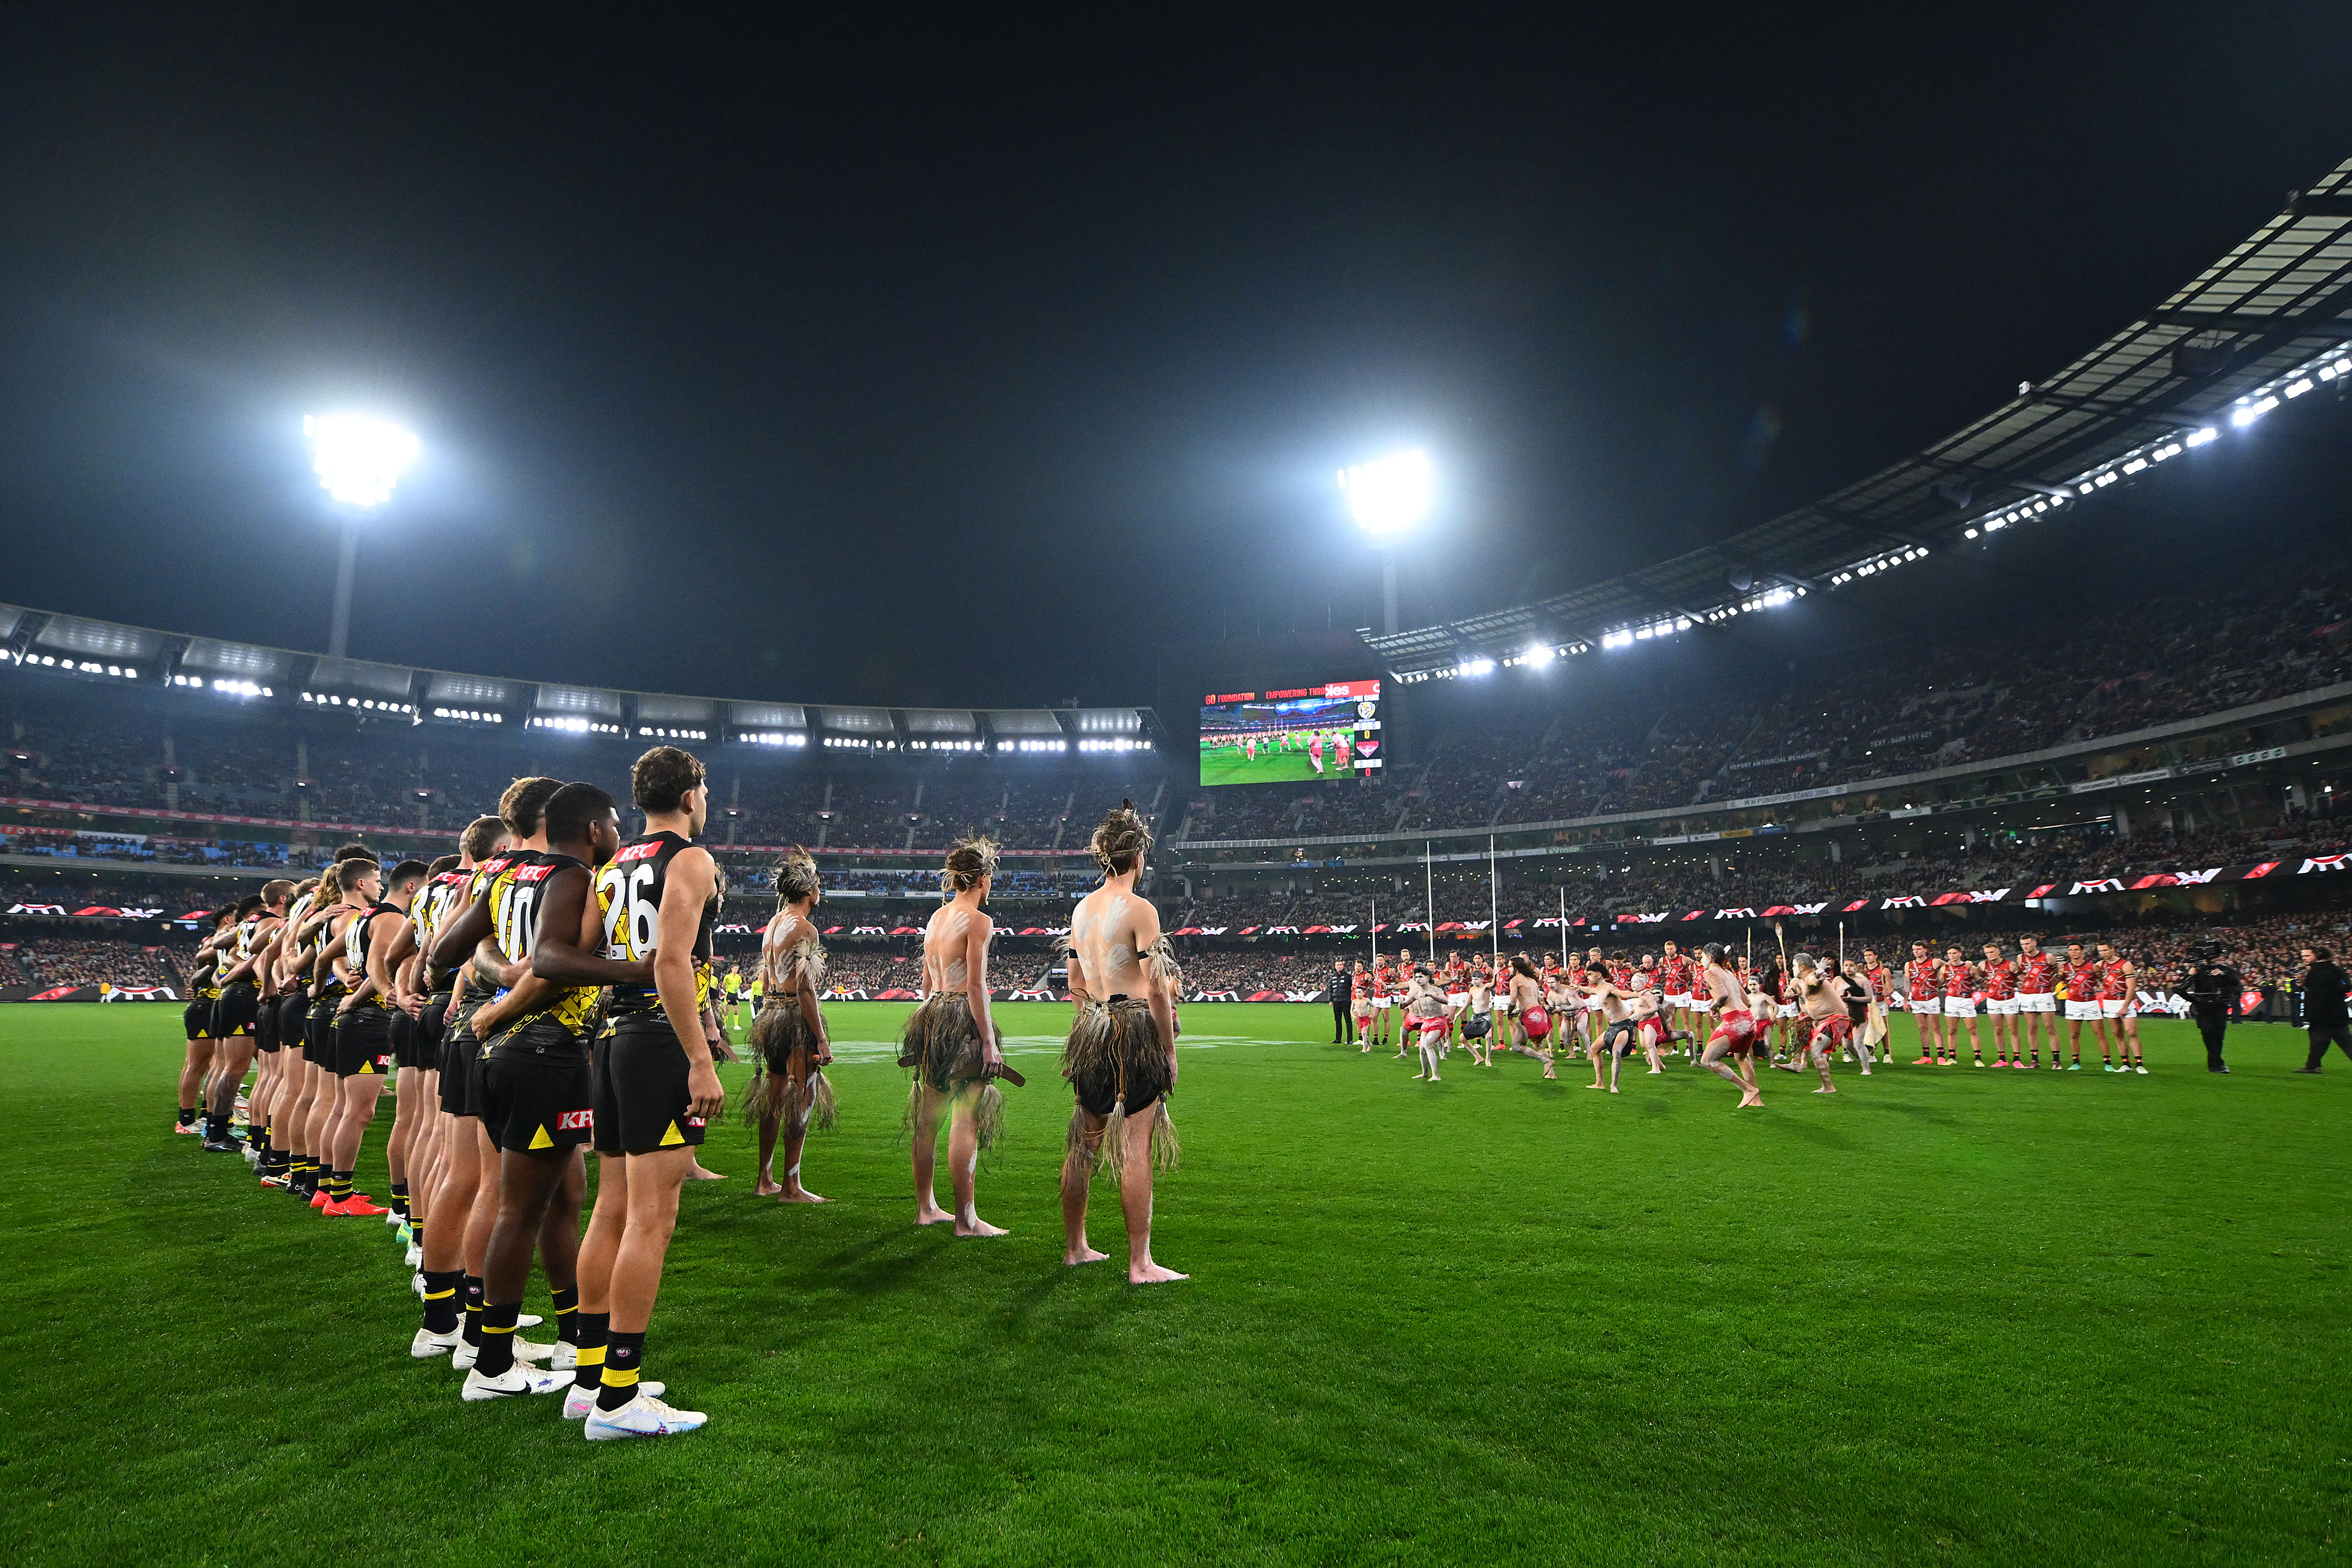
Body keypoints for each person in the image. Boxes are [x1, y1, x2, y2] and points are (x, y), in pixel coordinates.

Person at [437, 781, 642, 1403]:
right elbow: (552, 959)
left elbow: (446, 949)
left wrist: (501, 971)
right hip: (545, 1054)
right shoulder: (575, 876)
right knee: (519, 1210)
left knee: (562, 1196)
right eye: (612, 823)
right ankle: (494, 1363)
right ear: (592, 831)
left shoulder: (504, 877)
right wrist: (637, 970)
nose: (618, 832)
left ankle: (573, 1344)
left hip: (503, 1055)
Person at [568, 748, 723, 1438]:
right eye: (705, 788)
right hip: (658, 1043)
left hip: (611, 1040)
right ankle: (619, 1400)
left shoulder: (613, 866)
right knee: (650, 1220)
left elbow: (587, 955)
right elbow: (670, 960)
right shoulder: (690, 860)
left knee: (611, 1208)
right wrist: (701, 1059)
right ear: (691, 795)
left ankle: (589, 1376)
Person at [1059, 803, 1184, 1281]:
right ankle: (1140, 1263)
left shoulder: (1081, 909)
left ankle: (1076, 1248)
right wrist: (1168, 1049)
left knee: (1083, 1145)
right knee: (1135, 1145)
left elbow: (1074, 983)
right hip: (1132, 1029)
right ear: (1139, 859)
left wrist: (1085, 1034)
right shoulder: (1141, 910)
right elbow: (1155, 988)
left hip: (1091, 1026)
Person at [901, 836, 1010, 1237]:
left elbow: (927, 982)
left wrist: (929, 1027)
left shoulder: (936, 918)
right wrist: (987, 1041)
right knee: (966, 1119)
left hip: (933, 1016)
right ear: (983, 879)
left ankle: (926, 1208)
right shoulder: (980, 921)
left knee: (928, 1120)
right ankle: (967, 1220)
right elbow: (977, 986)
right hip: (962, 1019)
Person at [747, 846, 833, 1204]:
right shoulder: (806, 928)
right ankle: (792, 1186)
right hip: (794, 1021)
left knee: (774, 1096)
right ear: (809, 889)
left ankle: (764, 1179)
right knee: (801, 1097)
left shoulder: (774, 925)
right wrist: (822, 1039)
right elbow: (804, 988)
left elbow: (768, 980)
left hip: (770, 1015)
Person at [174, 912, 231, 1136]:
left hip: (210, 1005)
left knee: (213, 1065)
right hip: (207, 1006)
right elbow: (199, 975)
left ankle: (209, 1115)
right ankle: (187, 1120)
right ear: (228, 920)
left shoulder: (221, 942)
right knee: (198, 1066)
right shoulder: (217, 942)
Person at [1696, 943, 1762, 1109]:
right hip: (1749, 1020)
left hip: (1735, 1021)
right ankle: (1757, 1101)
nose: (1701, 960)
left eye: (1703, 957)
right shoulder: (1729, 974)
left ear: (1710, 958)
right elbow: (1747, 1001)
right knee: (1741, 1058)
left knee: (1707, 1060)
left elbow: (1723, 995)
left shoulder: (1709, 972)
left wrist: (1714, 1006)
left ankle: (1747, 1089)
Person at [2181, 940, 2244, 1073]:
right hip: (2203, 1008)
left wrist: (2223, 977)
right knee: (2208, 1032)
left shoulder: (2227, 971)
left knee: (2218, 1035)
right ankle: (2217, 1063)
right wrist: (2191, 978)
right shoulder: (2198, 972)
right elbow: (2181, 988)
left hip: (2219, 1007)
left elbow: (2236, 986)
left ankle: (2215, 1063)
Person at [2293, 945, 2351, 1073]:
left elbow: (2314, 997)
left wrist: (2309, 1016)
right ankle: (2312, 1066)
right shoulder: (2336, 969)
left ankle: (2313, 1066)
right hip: (2339, 1014)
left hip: (2321, 1015)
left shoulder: (2317, 972)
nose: (2304, 958)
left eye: (2307, 956)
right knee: (2347, 1043)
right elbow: (2347, 986)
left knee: (2318, 1042)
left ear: (2317, 956)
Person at [2097, 943, 2145, 1074]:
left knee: (2132, 1032)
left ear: (2113, 950)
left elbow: (2131, 987)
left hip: (2124, 1000)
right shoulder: (2100, 965)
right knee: (2117, 1033)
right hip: (2109, 1001)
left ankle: (2139, 1064)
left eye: (2105, 950)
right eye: (2101, 951)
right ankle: (2126, 1063)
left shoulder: (2125, 964)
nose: (2103, 953)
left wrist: (2125, 1006)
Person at [2015, 934, 2058, 1069]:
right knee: (2032, 1028)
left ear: (2035, 943)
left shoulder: (2047, 957)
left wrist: (2051, 985)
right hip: (2028, 995)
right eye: (2023, 945)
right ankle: (2035, 1060)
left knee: (2050, 1028)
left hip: (2044, 995)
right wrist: (2024, 982)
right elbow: (2019, 973)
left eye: (2027, 944)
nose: (2025, 947)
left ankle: (2056, 1061)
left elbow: (2057, 973)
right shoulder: (2020, 958)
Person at [2061, 941, 2106, 1071]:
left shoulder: (2092, 967)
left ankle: (2108, 1063)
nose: (2073, 952)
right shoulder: (2065, 967)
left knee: (2100, 1034)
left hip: (2090, 1002)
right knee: (2074, 1035)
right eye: (2071, 950)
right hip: (2072, 1003)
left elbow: (2103, 980)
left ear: (2083, 952)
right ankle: (2076, 1062)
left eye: (2076, 950)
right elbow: (2059, 980)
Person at [1904, 941, 1945, 1066]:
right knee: (1922, 1029)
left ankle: (1941, 1056)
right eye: (1914, 949)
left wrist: (1941, 980)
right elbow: (1907, 983)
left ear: (1926, 950)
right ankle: (1926, 1056)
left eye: (1919, 949)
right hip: (1916, 999)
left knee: (1936, 1028)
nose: (1916, 951)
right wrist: (1906, 1000)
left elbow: (1948, 966)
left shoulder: (1934, 962)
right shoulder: (1909, 965)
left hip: (1931, 998)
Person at [1942, 946, 1984, 1067]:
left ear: (1960, 954)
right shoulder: (1945, 968)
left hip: (1966, 1000)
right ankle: (1952, 1057)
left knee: (1972, 1030)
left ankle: (1978, 1058)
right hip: (1951, 1000)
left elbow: (1978, 979)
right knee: (1952, 1030)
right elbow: (1941, 982)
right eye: (1950, 953)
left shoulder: (1969, 967)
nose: (1952, 955)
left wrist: (1975, 973)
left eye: (1954, 953)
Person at [1980, 941, 2019, 1068]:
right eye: (1987, 953)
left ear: (1999, 951)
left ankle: (2017, 1059)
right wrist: (1982, 984)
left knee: (2013, 1030)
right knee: (1998, 1030)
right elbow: (1975, 976)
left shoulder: (2011, 965)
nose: (1989, 955)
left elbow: (2022, 978)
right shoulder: (1983, 965)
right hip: (1993, 999)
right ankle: (2002, 1058)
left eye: (1992, 952)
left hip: (2009, 999)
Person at [1330, 957, 1354, 1045]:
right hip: (1336, 1001)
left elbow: (1353, 988)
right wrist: (1331, 1000)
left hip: (1346, 1000)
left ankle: (1350, 1039)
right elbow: (1330, 990)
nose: (1339, 966)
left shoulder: (1348, 976)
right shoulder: (1333, 977)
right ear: (1335, 967)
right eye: (1338, 965)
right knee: (1338, 1020)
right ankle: (1338, 1039)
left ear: (1343, 966)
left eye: (1341, 965)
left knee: (1348, 1020)